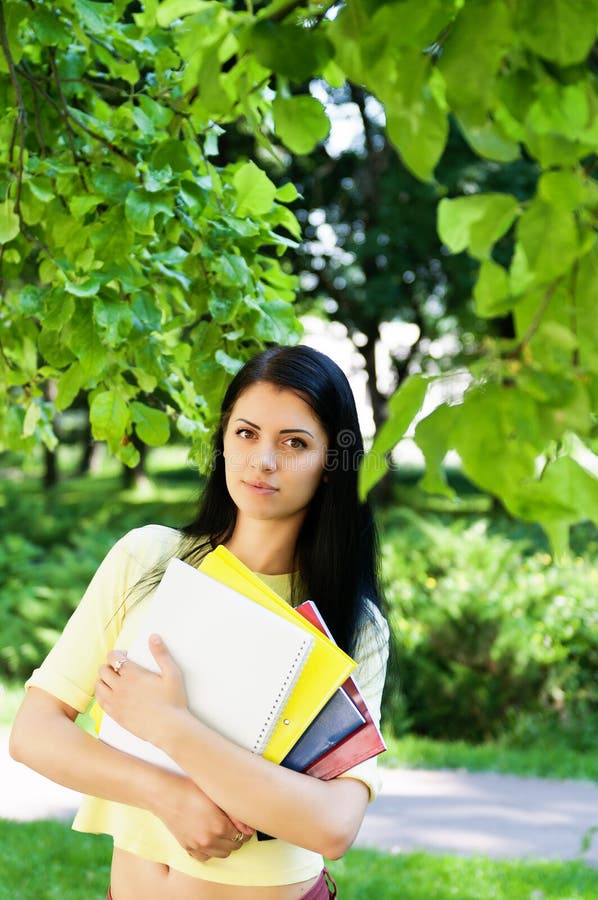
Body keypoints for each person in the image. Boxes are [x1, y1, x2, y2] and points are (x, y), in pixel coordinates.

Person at [10, 344, 389, 900]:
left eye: (295, 443)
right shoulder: (147, 559)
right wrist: (166, 794)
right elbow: (34, 733)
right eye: (246, 433)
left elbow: (333, 825)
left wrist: (171, 726)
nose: (263, 460)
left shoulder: (353, 621)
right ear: (223, 441)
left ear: (332, 465)